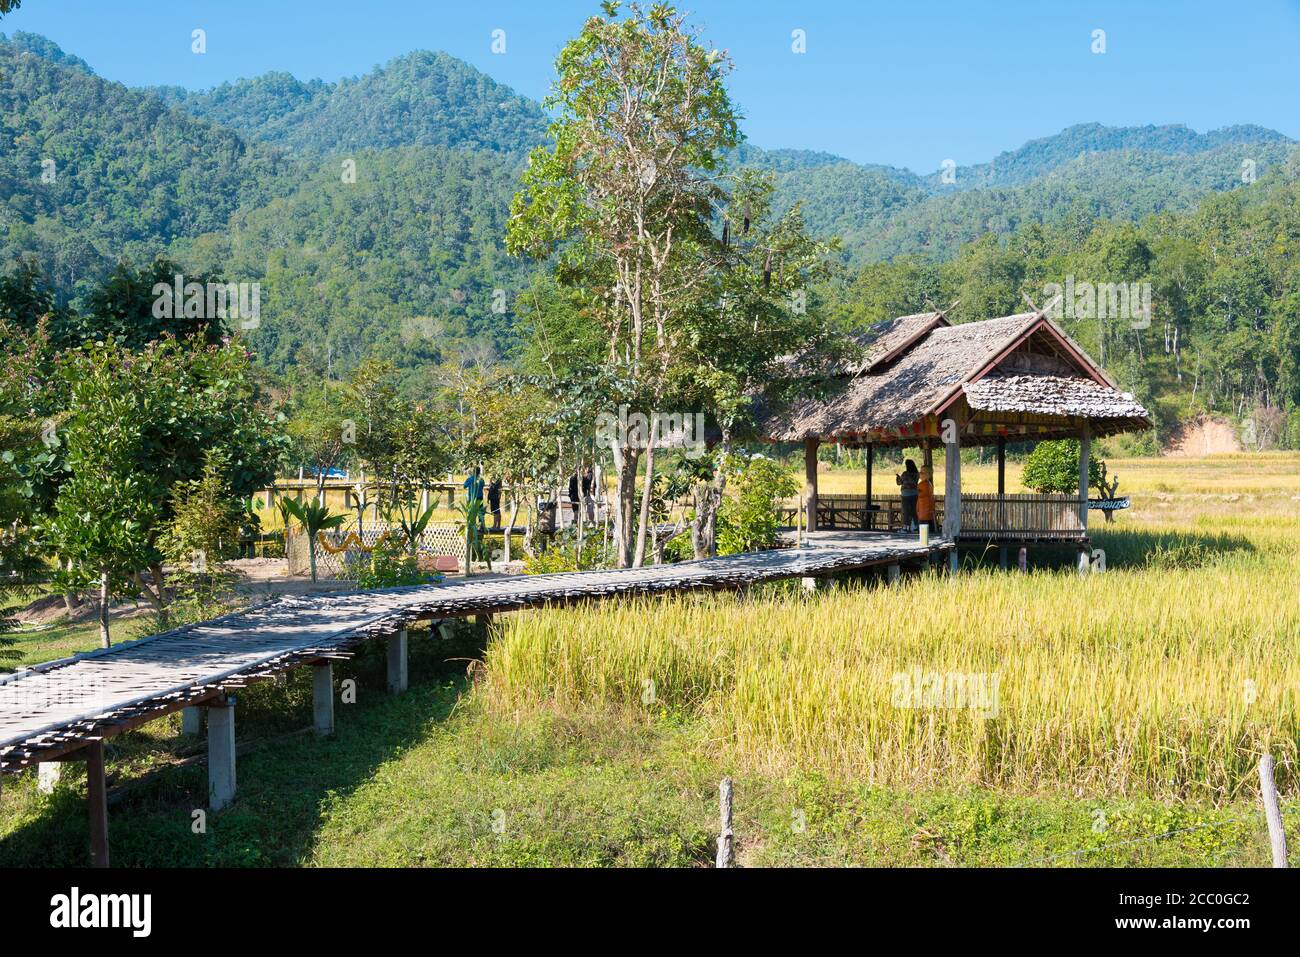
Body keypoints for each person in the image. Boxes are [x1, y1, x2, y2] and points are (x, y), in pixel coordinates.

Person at [896, 459, 919, 532]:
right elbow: (915, 482)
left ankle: (905, 528)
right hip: (915, 493)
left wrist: (898, 478)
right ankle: (916, 527)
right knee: (914, 510)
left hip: (905, 494)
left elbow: (899, 483)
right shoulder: (917, 474)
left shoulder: (905, 474)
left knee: (906, 511)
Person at [916, 466, 935, 536]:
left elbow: (920, 494)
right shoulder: (927, 484)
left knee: (924, 526)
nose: (919, 474)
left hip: (924, 509)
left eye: (921, 472)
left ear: (927, 474)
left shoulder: (924, 484)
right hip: (924, 508)